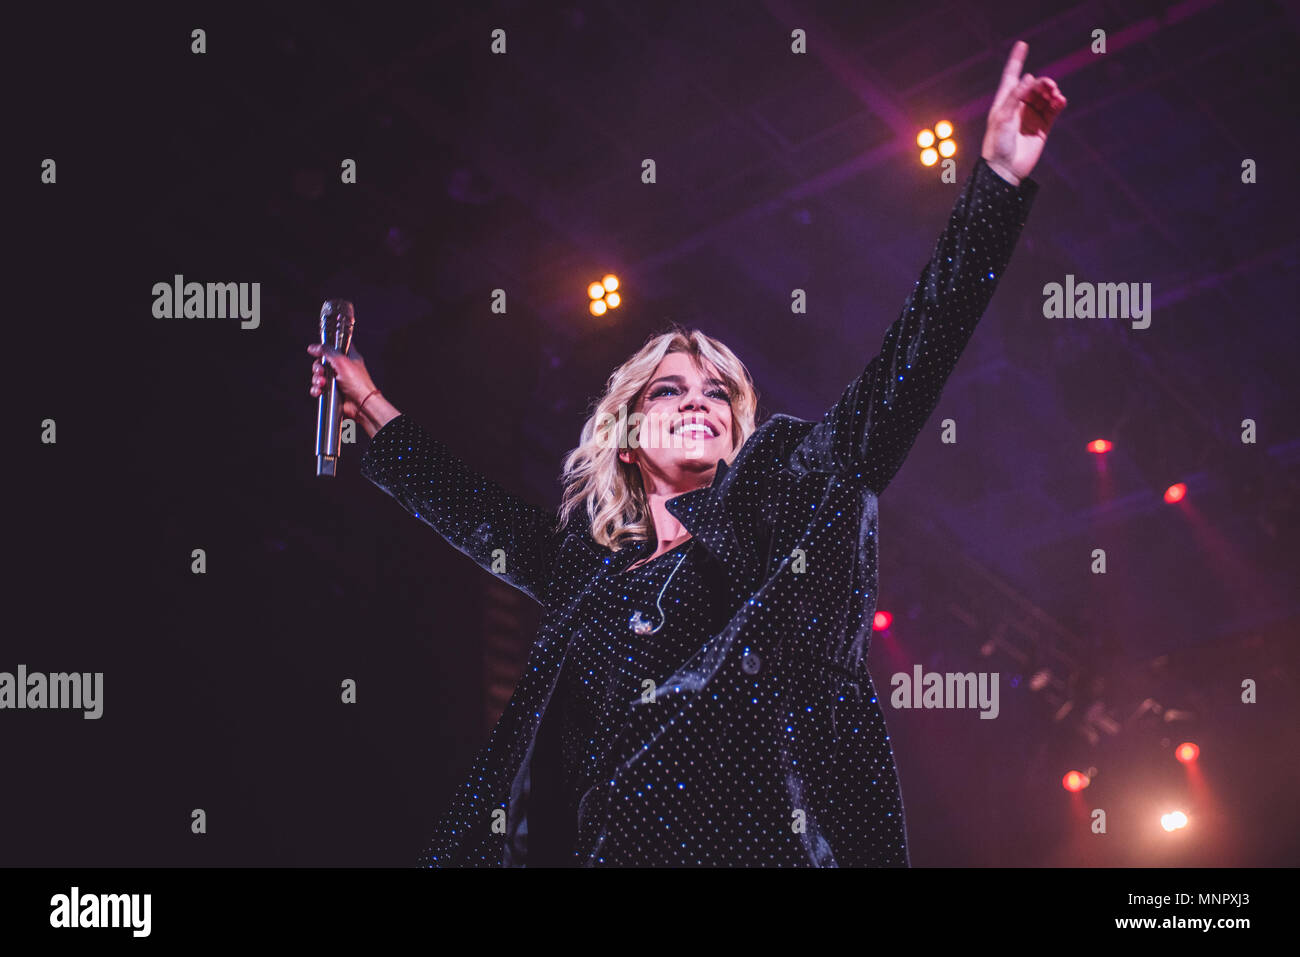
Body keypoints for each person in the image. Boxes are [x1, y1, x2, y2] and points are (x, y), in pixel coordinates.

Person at [307, 41, 1065, 866]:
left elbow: (904, 373)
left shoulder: (778, 516)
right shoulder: (586, 572)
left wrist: (994, 186)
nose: (697, 399)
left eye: (716, 392)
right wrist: (370, 402)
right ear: (628, 436)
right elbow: (478, 514)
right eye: (670, 389)